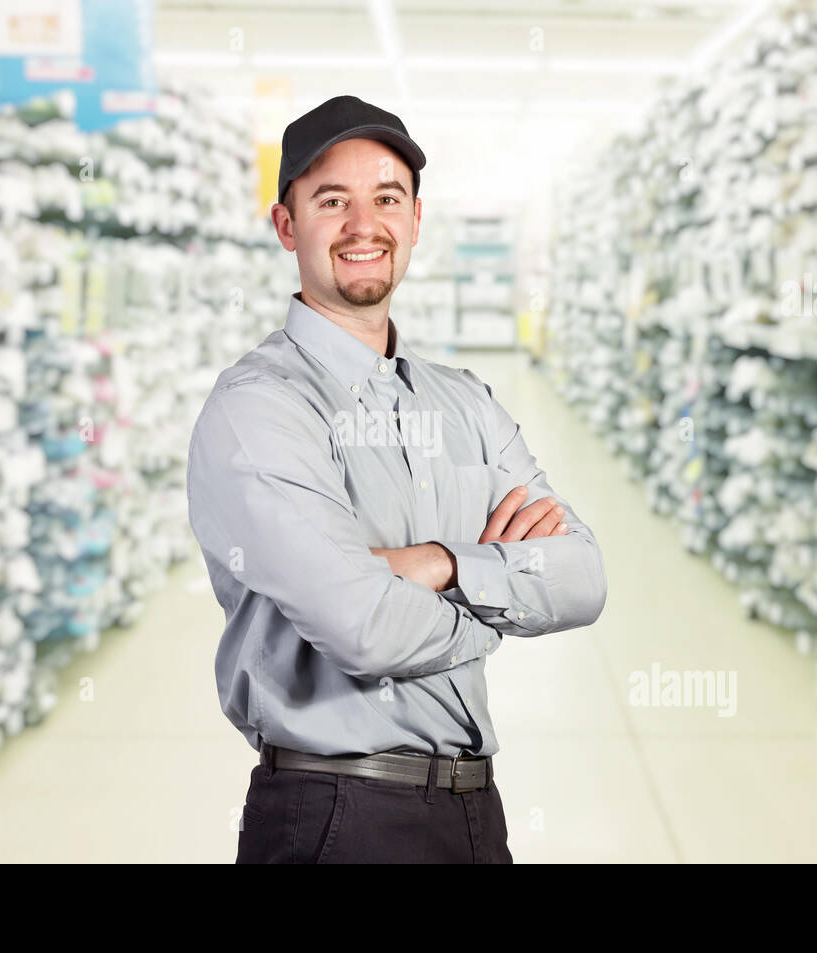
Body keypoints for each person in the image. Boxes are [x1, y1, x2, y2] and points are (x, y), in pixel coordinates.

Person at [186, 95, 607, 863]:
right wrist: (501, 596)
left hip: (476, 811)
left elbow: (582, 578)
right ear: (287, 226)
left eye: (385, 199)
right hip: (334, 815)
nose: (362, 225)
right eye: (331, 201)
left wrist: (440, 564)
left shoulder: (465, 401)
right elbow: (364, 627)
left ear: (415, 220)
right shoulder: (259, 408)